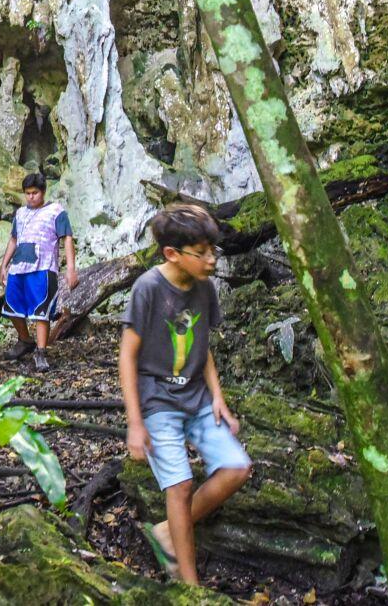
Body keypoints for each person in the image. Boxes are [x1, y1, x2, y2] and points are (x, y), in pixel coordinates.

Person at [120, 202, 251, 585]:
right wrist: (134, 423)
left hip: (197, 398)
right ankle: (190, 587)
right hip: (157, 401)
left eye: (213, 251)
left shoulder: (204, 288)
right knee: (179, 486)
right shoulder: (147, 289)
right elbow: (127, 356)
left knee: (237, 467)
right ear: (172, 254)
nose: (212, 260)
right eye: (202, 252)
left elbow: (202, 346)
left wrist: (218, 397)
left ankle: (168, 530)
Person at [0, 172, 78, 373]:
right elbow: (14, 239)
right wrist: (4, 265)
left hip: (43, 267)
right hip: (18, 267)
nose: (31, 197)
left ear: (43, 191)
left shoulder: (56, 211)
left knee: (41, 311)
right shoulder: (20, 213)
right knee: (11, 307)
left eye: (35, 193)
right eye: (28, 193)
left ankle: (41, 352)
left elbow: (67, 238)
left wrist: (71, 268)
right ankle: (25, 340)